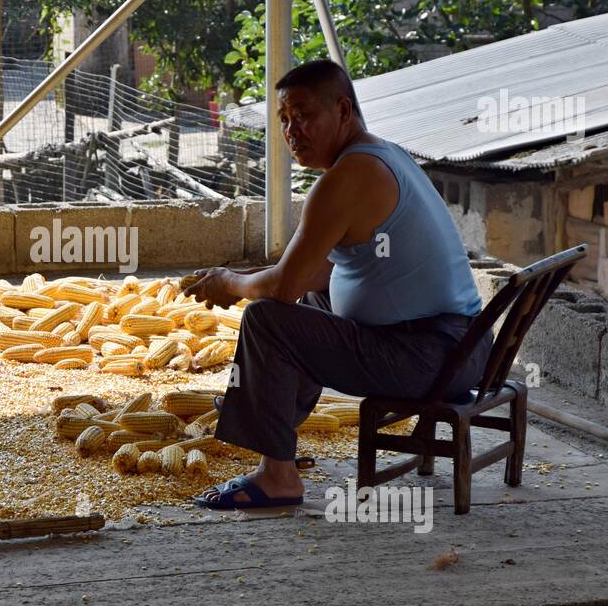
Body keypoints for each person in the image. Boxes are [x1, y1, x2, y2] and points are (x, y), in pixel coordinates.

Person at [185, 59, 490, 509]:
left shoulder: (344, 180)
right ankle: (272, 419)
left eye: (304, 115)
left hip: (429, 359)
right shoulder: (384, 154)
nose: (292, 131)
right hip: (464, 348)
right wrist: (247, 281)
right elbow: (314, 276)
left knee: (268, 320)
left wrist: (229, 281)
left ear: (343, 111)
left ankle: (278, 477)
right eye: (284, 120)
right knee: (312, 300)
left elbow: (281, 287)